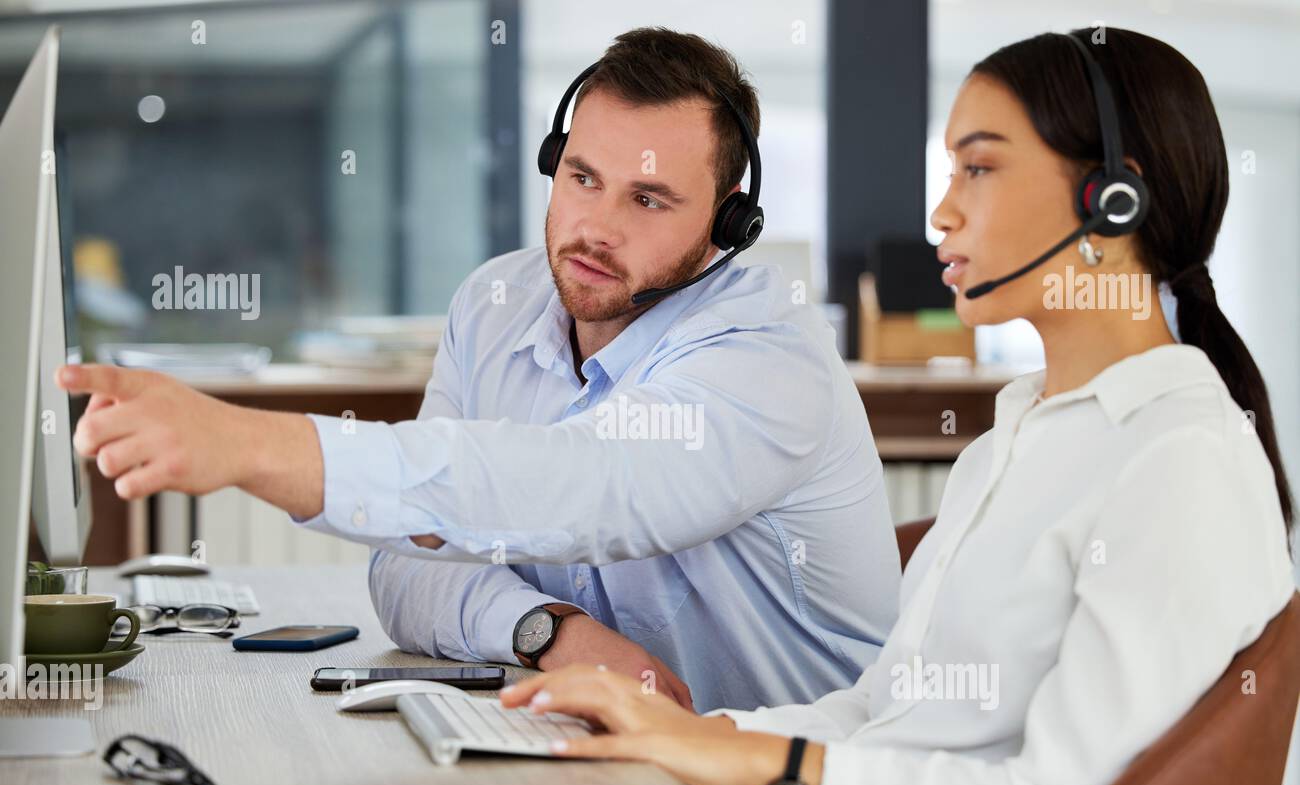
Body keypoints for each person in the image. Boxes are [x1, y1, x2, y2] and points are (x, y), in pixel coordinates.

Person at [496, 27, 1297, 785]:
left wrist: (753, 765)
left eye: (979, 168)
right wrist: (686, 737)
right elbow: (884, 714)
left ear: (1111, 201)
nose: (942, 212)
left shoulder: (1178, 463)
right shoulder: (1014, 439)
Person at [57, 29, 900, 715]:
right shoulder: (496, 303)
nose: (596, 227)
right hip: (609, 766)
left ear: (727, 225)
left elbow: (583, 486)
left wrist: (251, 445)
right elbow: (410, 562)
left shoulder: (768, 354)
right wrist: (548, 632)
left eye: (647, 200)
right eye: (582, 178)